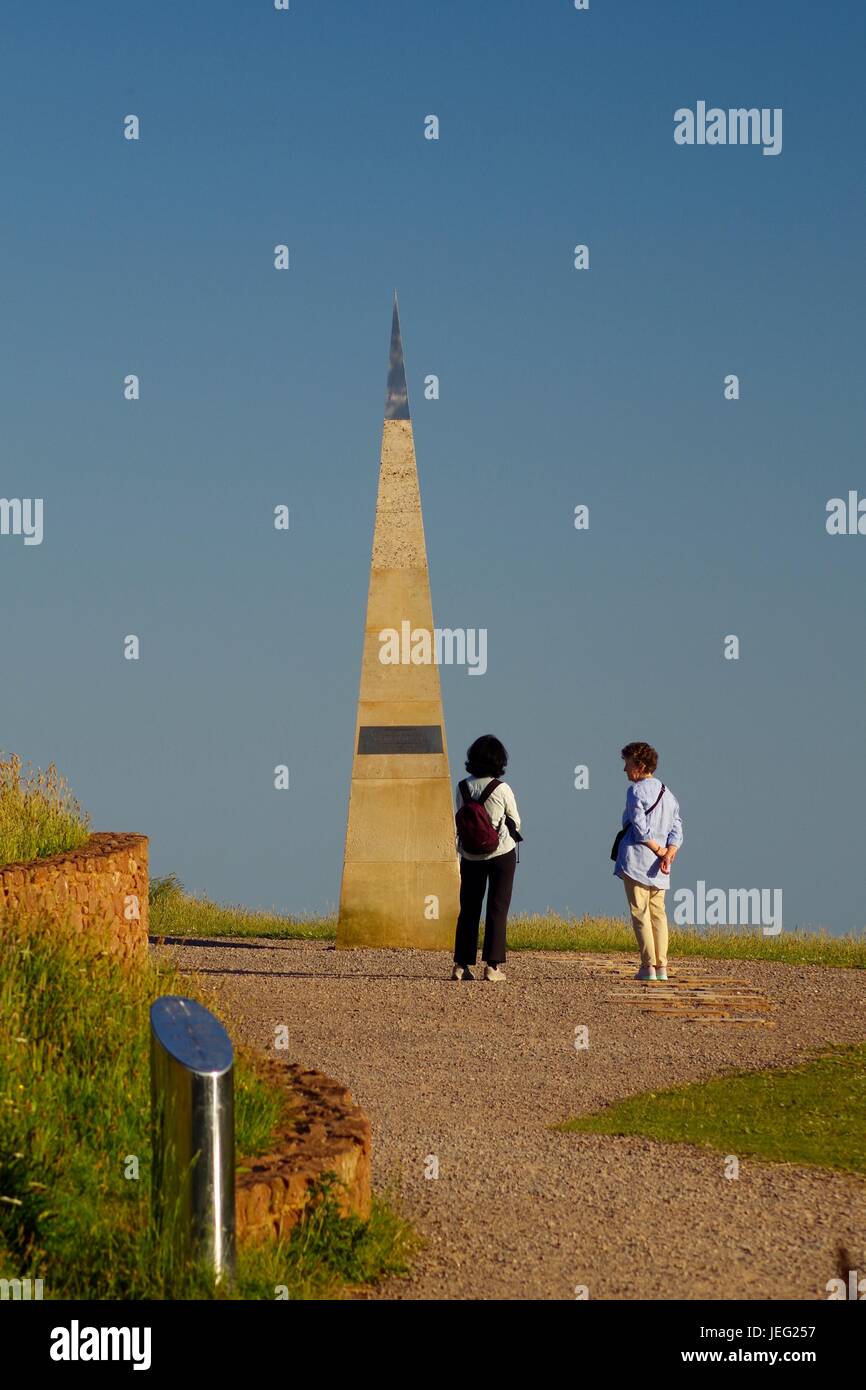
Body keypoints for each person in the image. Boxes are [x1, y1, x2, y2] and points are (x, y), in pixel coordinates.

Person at [452, 734, 521, 982]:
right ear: (499, 761)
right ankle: (492, 967)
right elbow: (515, 821)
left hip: (470, 855)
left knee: (469, 909)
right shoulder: (502, 788)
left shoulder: (462, 786)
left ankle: (461, 965)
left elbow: (460, 816)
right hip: (500, 853)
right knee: (497, 908)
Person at [614, 741, 683, 982]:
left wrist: (658, 850)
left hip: (637, 861)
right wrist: (668, 852)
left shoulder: (635, 791)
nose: (624, 769)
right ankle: (661, 966)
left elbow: (640, 828)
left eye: (627, 764)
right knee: (658, 914)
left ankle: (647, 967)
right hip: (661, 867)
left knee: (640, 913)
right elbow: (677, 828)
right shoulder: (668, 793)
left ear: (640, 765)